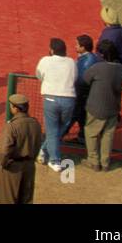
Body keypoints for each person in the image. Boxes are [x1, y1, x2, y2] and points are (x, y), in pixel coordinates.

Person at [81, 40, 122, 171]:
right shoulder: (120, 69)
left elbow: (85, 79)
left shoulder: (98, 67)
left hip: (96, 107)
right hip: (113, 107)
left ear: (101, 54)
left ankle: (93, 161)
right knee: (108, 135)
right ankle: (105, 163)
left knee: (91, 133)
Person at [36, 37, 77, 171]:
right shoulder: (71, 62)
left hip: (51, 98)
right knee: (61, 128)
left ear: (52, 50)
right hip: (69, 99)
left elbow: (39, 75)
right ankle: (44, 151)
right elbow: (75, 78)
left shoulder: (45, 60)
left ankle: (54, 160)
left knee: (53, 130)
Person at [0, 93, 44, 203]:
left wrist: (3, 164)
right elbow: (38, 143)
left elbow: (4, 150)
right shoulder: (35, 123)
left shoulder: (12, 126)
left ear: (15, 108)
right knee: (26, 198)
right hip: (29, 166)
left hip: (13, 167)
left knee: (8, 199)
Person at [67, 34, 99, 143]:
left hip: (81, 94)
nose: (75, 46)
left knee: (72, 116)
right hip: (86, 94)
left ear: (83, 47)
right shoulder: (93, 58)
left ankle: (58, 136)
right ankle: (82, 137)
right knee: (81, 116)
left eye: (77, 45)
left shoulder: (86, 61)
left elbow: (81, 80)